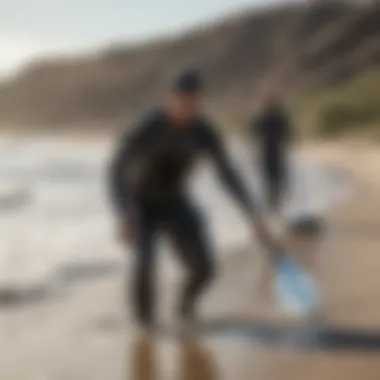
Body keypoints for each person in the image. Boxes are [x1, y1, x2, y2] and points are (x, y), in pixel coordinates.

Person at [108, 69, 276, 331]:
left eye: (195, 101)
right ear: (169, 99)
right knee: (145, 263)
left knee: (205, 268)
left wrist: (252, 213)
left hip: (175, 201)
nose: (189, 106)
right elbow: (116, 169)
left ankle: (184, 307)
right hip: (141, 203)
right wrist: (123, 213)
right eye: (183, 99)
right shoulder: (147, 126)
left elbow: (227, 173)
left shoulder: (203, 130)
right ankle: (145, 324)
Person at [250, 96, 293, 213]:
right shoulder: (274, 118)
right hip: (269, 151)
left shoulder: (275, 118)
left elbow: (287, 132)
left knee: (274, 177)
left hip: (273, 151)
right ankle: (274, 203)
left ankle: (274, 203)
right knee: (272, 177)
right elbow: (254, 132)